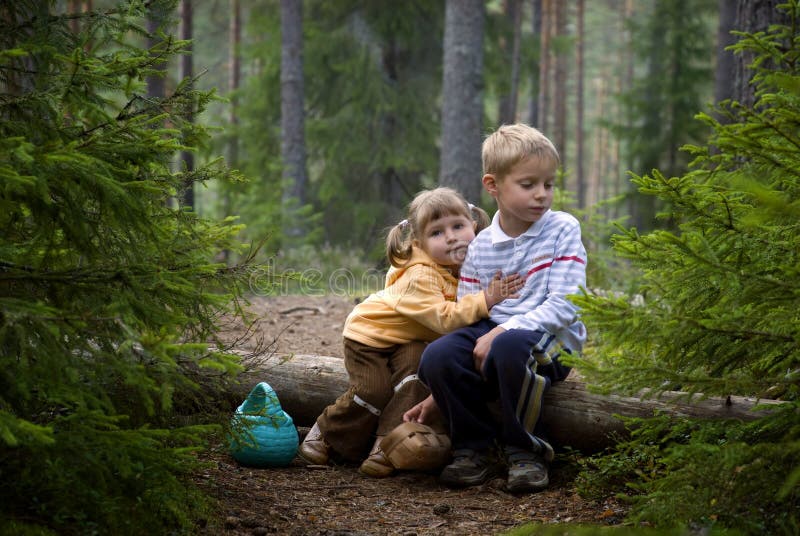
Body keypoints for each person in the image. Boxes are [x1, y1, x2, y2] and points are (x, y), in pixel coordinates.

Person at [404, 124, 587, 493]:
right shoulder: (482, 245)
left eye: (548, 184)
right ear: (493, 185)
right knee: (439, 355)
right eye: (528, 184)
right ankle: (472, 449)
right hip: (496, 335)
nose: (541, 195)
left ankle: (527, 451)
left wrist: (503, 331)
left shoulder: (562, 229)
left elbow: (566, 303)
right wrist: (438, 393)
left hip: (553, 339)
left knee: (509, 346)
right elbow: (470, 311)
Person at [298, 187, 524, 478]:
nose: (451, 237)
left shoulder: (467, 263)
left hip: (413, 338)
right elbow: (445, 319)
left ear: (474, 225)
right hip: (370, 336)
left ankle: (388, 445)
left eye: (458, 226)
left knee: (414, 381)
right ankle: (328, 432)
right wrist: (487, 299)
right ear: (419, 242)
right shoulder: (419, 275)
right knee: (373, 390)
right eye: (437, 233)